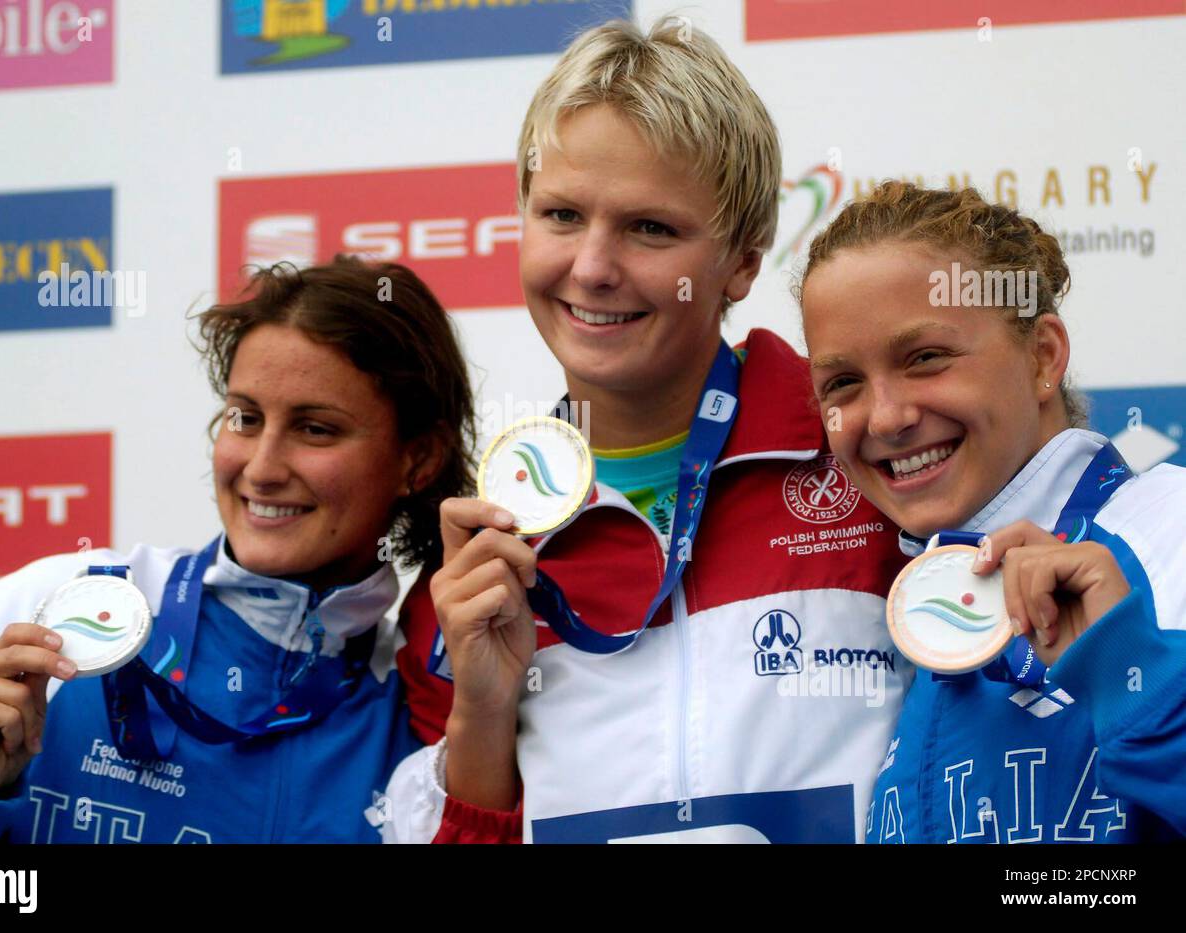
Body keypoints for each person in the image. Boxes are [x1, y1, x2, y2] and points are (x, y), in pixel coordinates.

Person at [381, 19, 912, 844]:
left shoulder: (873, 455)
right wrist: (482, 710)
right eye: (561, 215)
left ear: (742, 260)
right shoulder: (479, 563)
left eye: (650, 229)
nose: (592, 266)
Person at [0, 257, 475, 843]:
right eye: (245, 418)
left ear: (417, 460)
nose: (262, 468)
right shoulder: (68, 607)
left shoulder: (421, 715)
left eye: (315, 428)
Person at [797, 180, 1186, 844]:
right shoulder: (884, 619)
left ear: (1043, 356)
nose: (887, 417)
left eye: (926, 358)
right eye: (844, 383)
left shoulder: (1170, 532)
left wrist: (1134, 671)